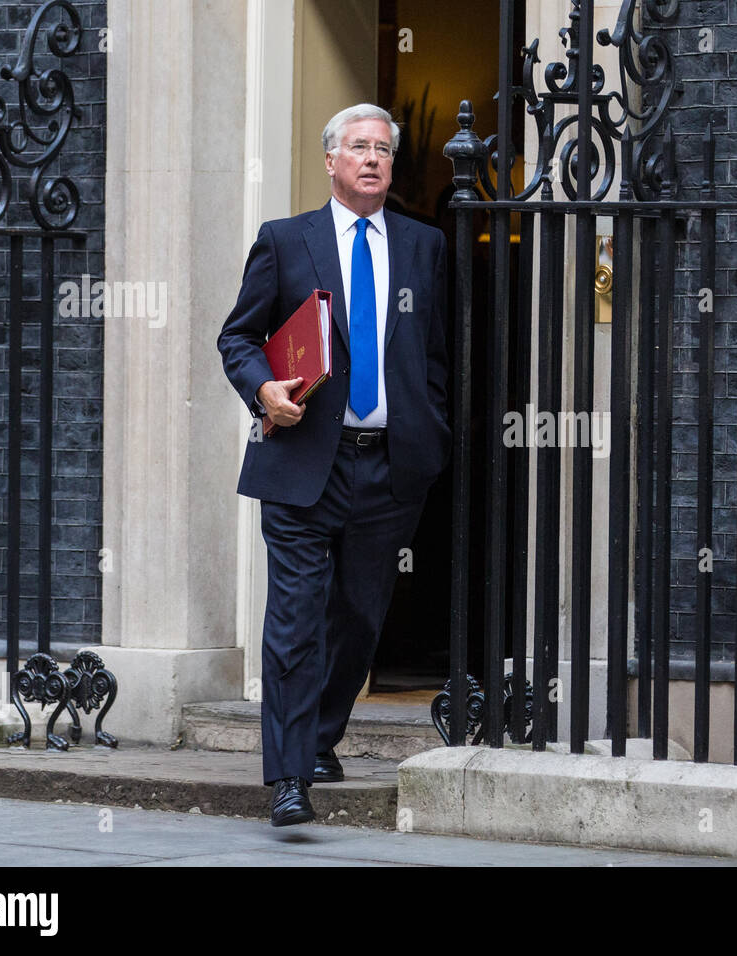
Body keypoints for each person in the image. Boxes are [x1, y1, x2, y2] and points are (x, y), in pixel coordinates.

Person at [217, 103, 450, 827]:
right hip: (300, 463)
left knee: (358, 618)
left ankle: (318, 738)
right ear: (330, 161)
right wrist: (262, 389)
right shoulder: (286, 242)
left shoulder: (425, 246)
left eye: (383, 149)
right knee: (294, 621)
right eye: (358, 147)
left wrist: (431, 430)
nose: (373, 159)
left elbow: (438, 353)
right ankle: (288, 776)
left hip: (388, 468)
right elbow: (238, 337)